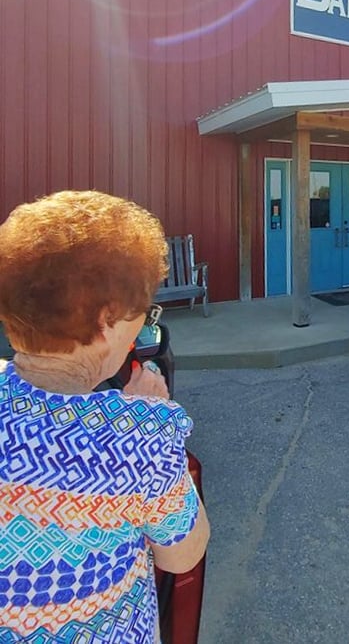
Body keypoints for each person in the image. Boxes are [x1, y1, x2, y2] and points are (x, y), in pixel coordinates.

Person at [0, 190, 210, 643]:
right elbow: (183, 557)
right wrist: (151, 413)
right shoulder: (139, 435)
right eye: (142, 314)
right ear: (108, 319)